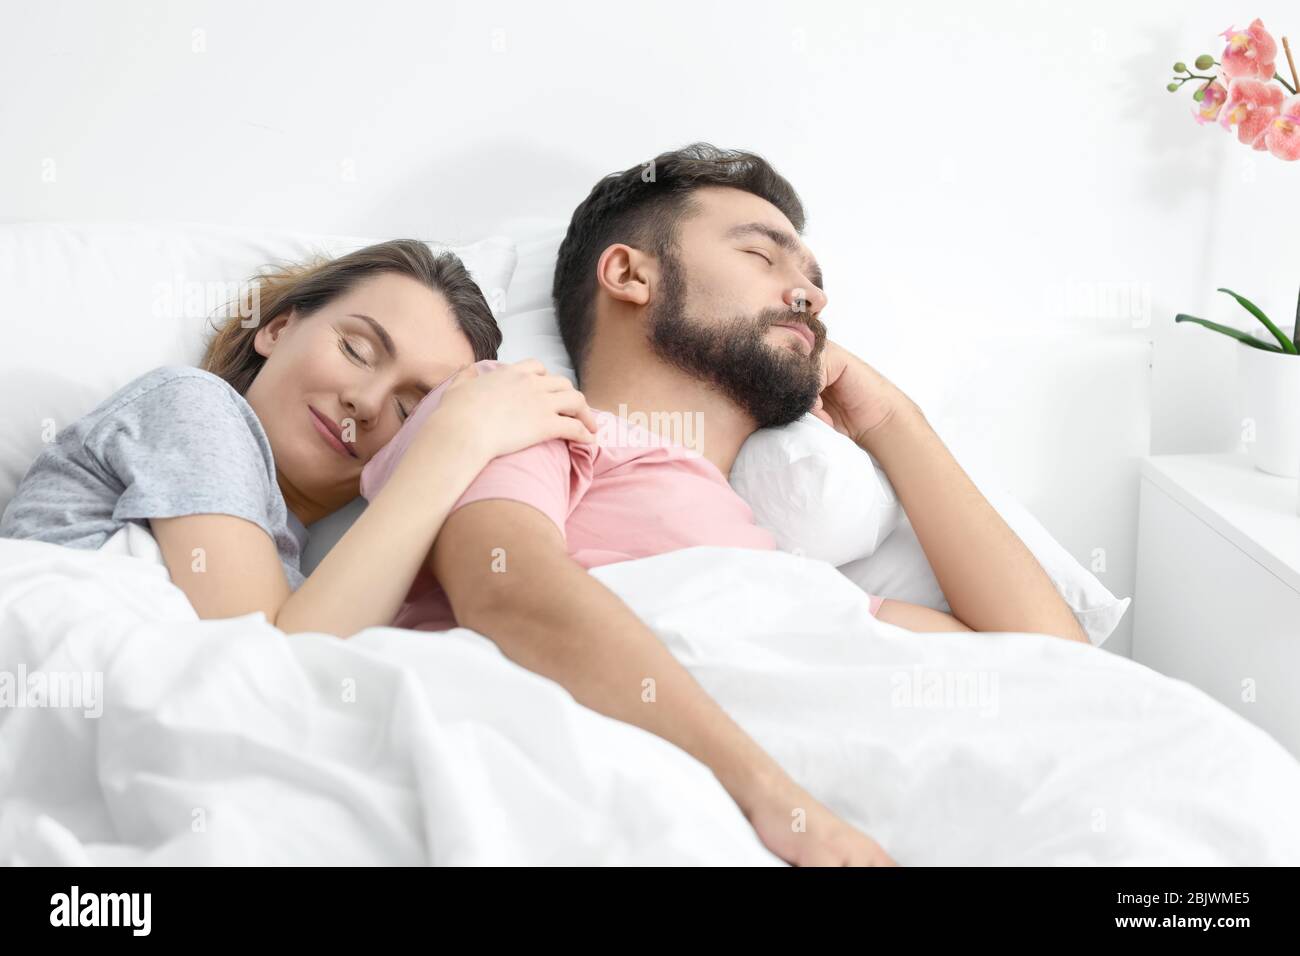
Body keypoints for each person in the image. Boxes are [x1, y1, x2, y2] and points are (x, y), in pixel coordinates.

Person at [363, 144, 1091, 867]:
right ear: (628, 274)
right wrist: (776, 802)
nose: (809, 294)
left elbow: (1060, 678)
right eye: (762, 257)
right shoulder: (525, 415)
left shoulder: (777, 574)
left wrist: (893, 423)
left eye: (814, 279)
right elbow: (510, 591)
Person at [0, 239, 598, 638]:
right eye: (355, 349)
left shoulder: (315, 583)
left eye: (410, 408)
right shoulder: (193, 403)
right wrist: (452, 446)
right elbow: (262, 661)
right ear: (279, 328)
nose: (364, 404)